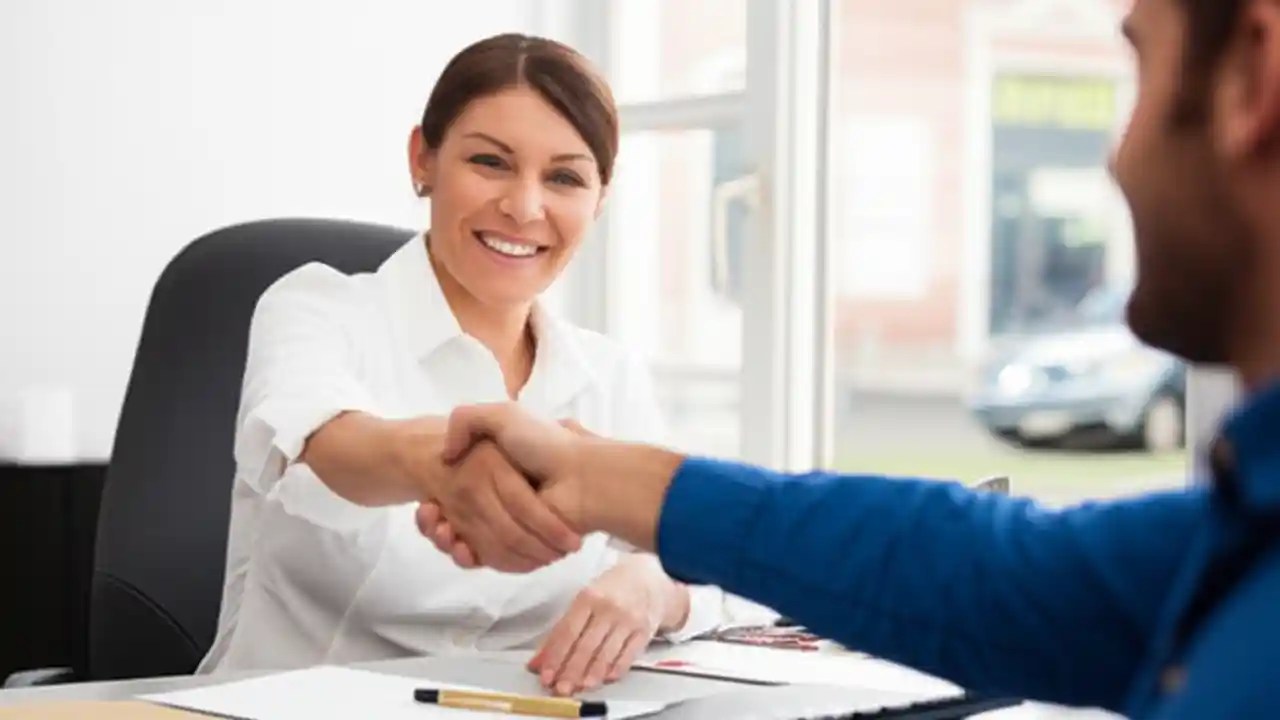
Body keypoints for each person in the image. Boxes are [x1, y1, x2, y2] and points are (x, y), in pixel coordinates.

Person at [418, 0, 1280, 716]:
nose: (1117, 155)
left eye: (1141, 68)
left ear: (1254, 75)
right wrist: (606, 479)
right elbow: (986, 568)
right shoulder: (1234, 541)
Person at [199, 33, 766, 692]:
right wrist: (448, 465)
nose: (525, 207)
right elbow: (335, 442)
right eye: (491, 162)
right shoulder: (318, 309)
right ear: (424, 160)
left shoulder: (608, 376)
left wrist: (653, 584)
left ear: (599, 199)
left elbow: (719, 571)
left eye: (564, 177)